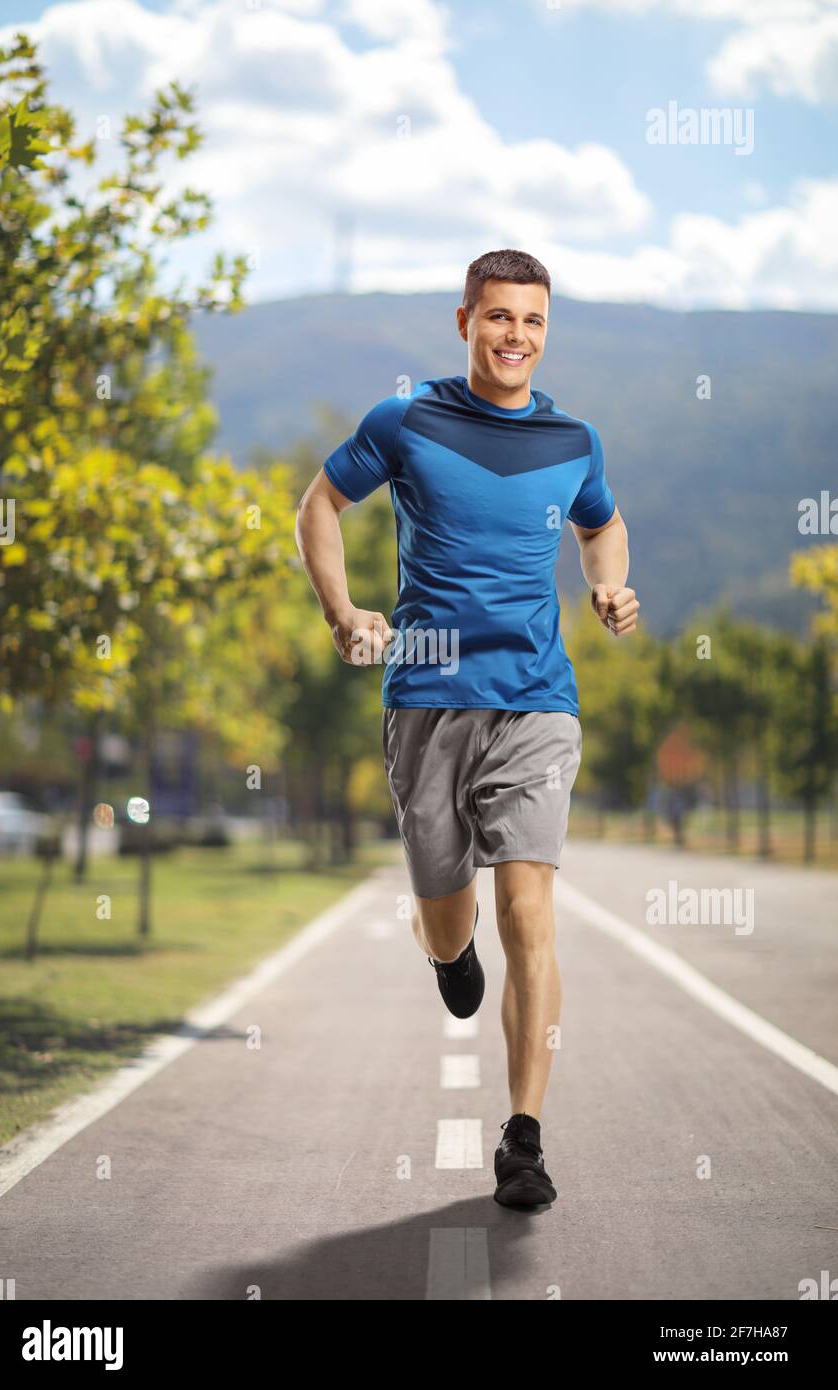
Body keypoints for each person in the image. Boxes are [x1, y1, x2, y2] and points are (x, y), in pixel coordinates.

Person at [295, 248, 639, 1209]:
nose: (515, 338)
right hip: (425, 702)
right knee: (450, 917)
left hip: (536, 699)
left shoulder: (575, 440)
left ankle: (523, 1139)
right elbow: (319, 504)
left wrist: (605, 584)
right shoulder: (408, 421)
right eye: (498, 318)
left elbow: (601, 524)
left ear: (545, 330)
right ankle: (450, 949)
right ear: (464, 322)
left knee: (531, 908)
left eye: (531, 322)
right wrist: (343, 612)